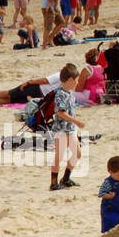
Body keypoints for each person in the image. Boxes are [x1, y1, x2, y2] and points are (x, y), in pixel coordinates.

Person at [48, 64, 84, 192]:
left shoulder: (70, 94)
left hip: (71, 129)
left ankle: (66, 178)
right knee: (59, 156)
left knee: (77, 153)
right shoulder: (60, 94)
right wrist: (77, 121)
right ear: (70, 80)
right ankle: (53, 183)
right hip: (61, 130)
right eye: (77, 80)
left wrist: (75, 123)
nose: (78, 82)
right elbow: (60, 112)